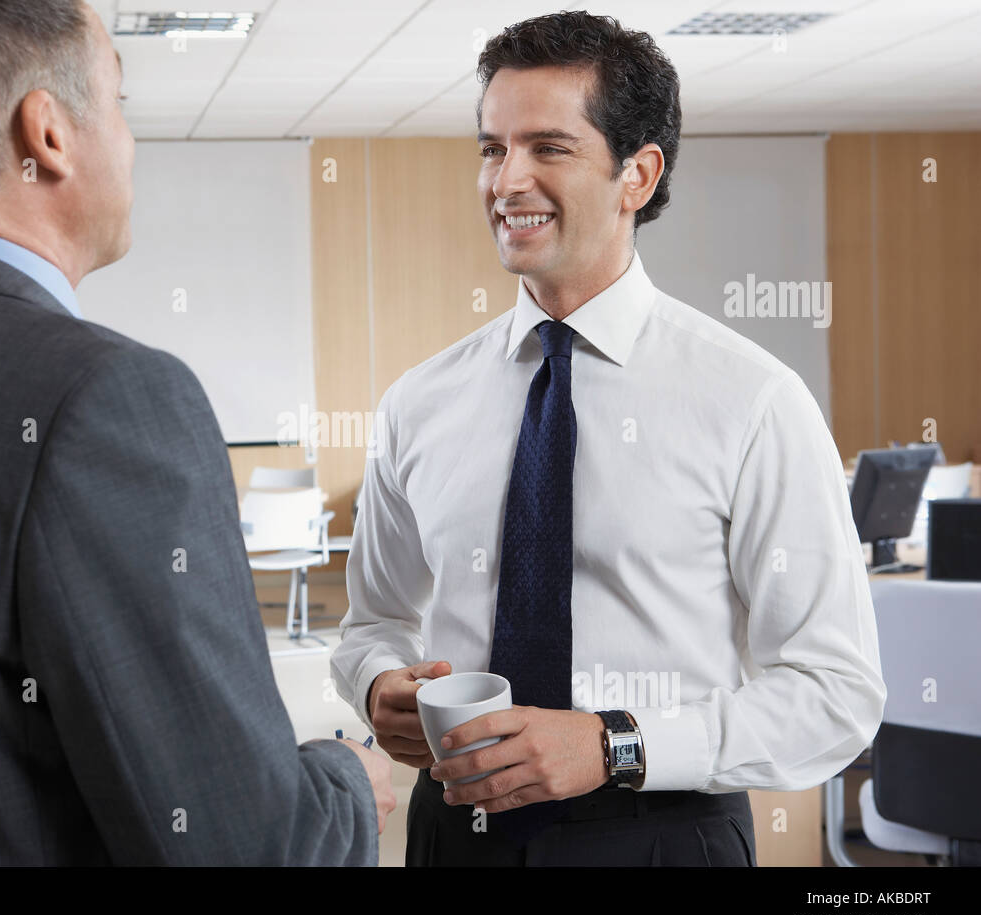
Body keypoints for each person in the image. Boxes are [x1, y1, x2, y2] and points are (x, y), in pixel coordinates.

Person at [0, 0, 394, 865]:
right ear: (47, 133)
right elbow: (247, 847)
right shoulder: (107, 399)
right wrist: (350, 781)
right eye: (120, 104)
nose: (128, 141)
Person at [330, 11, 885, 867]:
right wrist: (378, 687)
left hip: (661, 832)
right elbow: (375, 621)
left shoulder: (754, 401)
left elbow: (836, 696)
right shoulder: (418, 402)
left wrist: (616, 743)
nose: (506, 181)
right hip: (454, 832)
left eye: (548, 148)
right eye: (490, 148)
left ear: (638, 174)